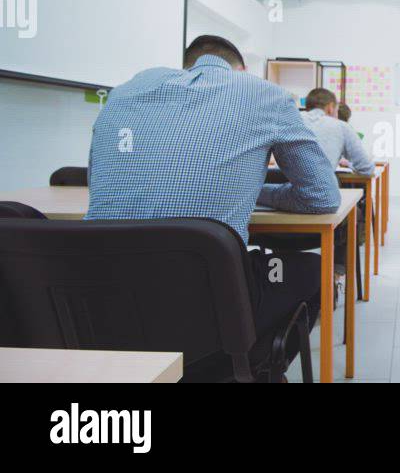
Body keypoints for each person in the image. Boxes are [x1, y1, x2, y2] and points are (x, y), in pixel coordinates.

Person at [86, 35, 341, 363]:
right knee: (313, 269)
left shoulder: (120, 95)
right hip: (204, 305)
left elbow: (96, 185)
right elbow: (321, 197)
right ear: (242, 70)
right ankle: (246, 367)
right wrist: (258, 191)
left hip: (99, 302)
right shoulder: (265, 95)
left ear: (186, 67)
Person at [301, 88, 375, 176]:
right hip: (320, 187)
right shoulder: (341, 127)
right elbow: (366, 168)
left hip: (284, 187)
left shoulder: (289, 120)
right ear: (330, 108)